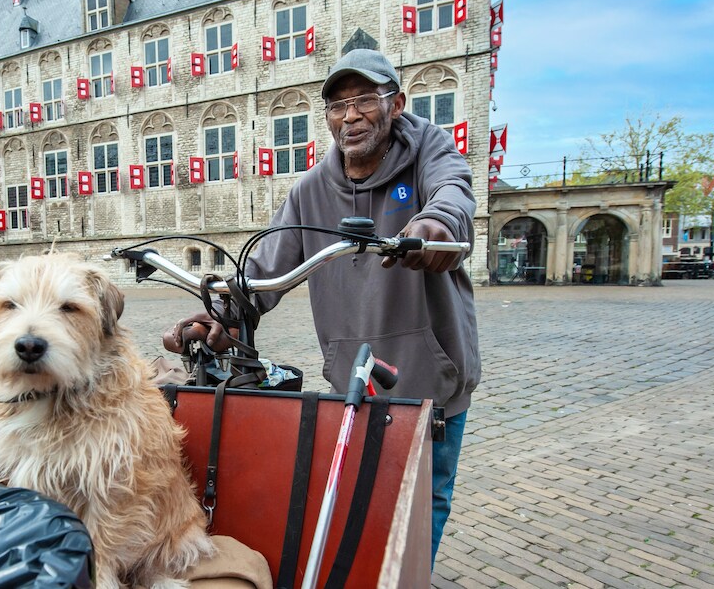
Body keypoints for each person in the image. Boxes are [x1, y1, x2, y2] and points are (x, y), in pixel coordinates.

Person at [162, 49, 479, 566]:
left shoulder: (429, 153)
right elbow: (260, 274)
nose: (349, 115)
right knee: (360, 498)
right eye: (336, 105)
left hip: (430, 373)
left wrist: (433, 228)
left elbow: (453, 194)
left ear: (395, 104)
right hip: (352, 381)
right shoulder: (311, 191)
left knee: (426, 500)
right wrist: (216, 318)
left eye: (363, 101)